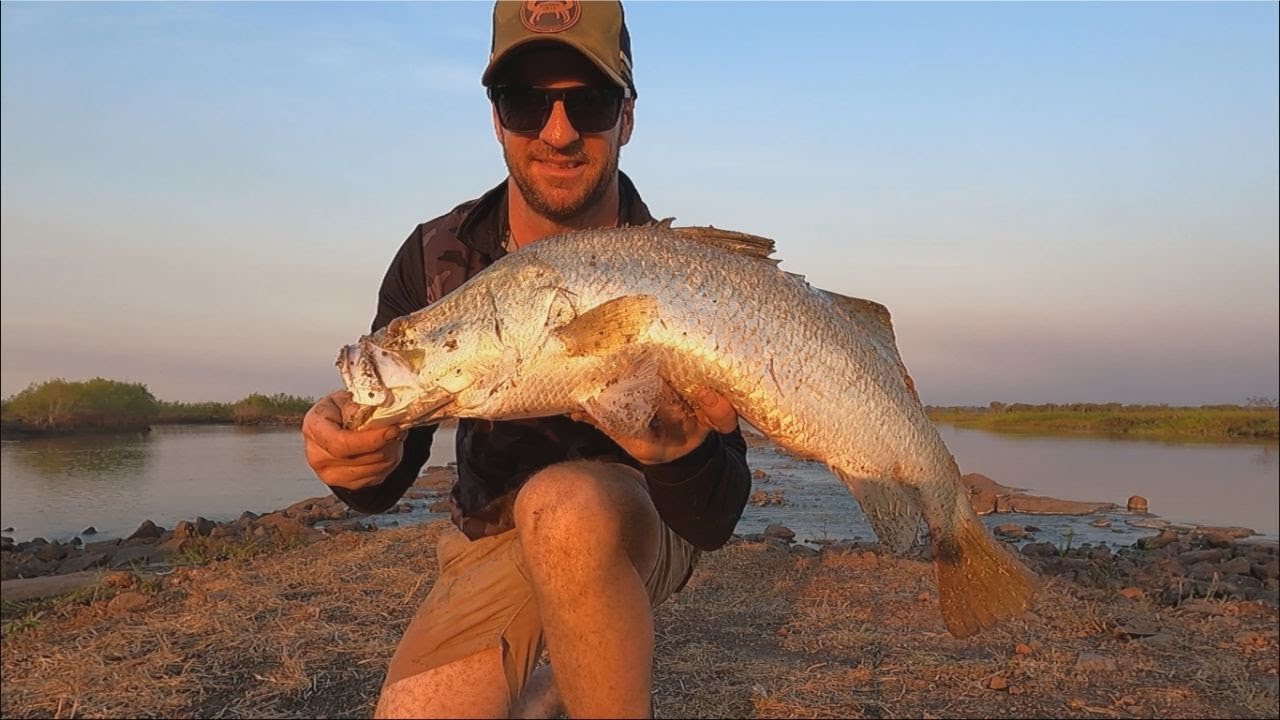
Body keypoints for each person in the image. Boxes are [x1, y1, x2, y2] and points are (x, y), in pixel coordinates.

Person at [301, 2, 753, 717]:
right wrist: (361, 464)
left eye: (590, 101)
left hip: (639, 522)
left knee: (566, 508)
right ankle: (564, 681)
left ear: (627, 117)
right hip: (494, 532)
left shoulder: (684, 275)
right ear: (496, 118)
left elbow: (714, 519)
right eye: (525, 101)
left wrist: (681, 453)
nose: (559, 132)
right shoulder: (434, 256)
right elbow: (393, 467)